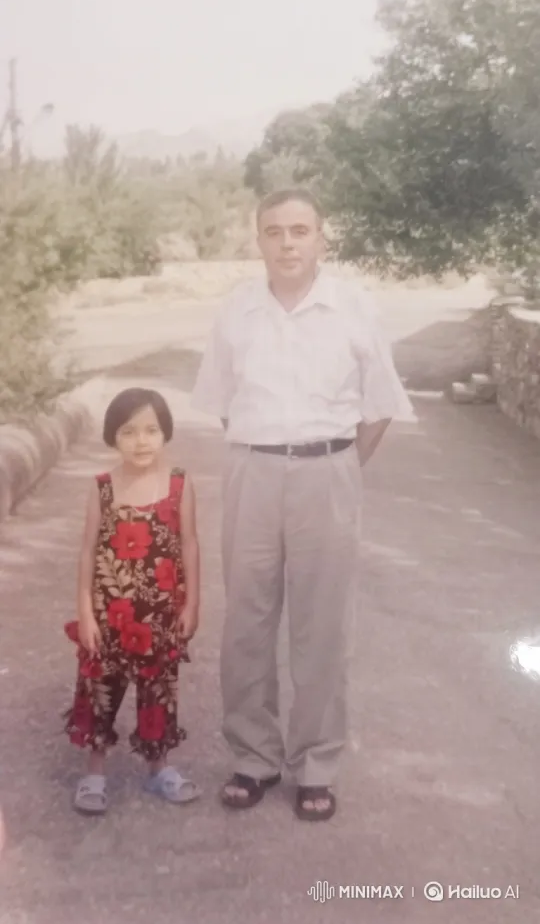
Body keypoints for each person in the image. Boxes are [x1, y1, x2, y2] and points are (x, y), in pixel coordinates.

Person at [191, 188, 416, 822]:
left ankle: (316, 764)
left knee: (323, 627)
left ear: (321, 236)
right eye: (274, 231)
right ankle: (253, 757)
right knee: (248, 623)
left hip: (329, 472)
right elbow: (226, 402)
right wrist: (269, 453)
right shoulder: (236, 311)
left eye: (299, 230)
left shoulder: (353, 307)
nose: (287, 243)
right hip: (253, 471)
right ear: (258, 239)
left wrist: (335, 463)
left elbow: (380, 405)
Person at [64, 387, 201, 814]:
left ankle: (159, 768)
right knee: (100, 689)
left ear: (165, 433)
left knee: (158, 690)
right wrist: (85, 612)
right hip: (109, 615)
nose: (141, 441)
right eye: (128, 431)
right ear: (112, 436)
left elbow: (190, 544)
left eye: (151, 430)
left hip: (161, 616)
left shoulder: (179, 484)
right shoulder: (103, 488)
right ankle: (95, 771)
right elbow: (88, 551)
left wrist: (192, 603)